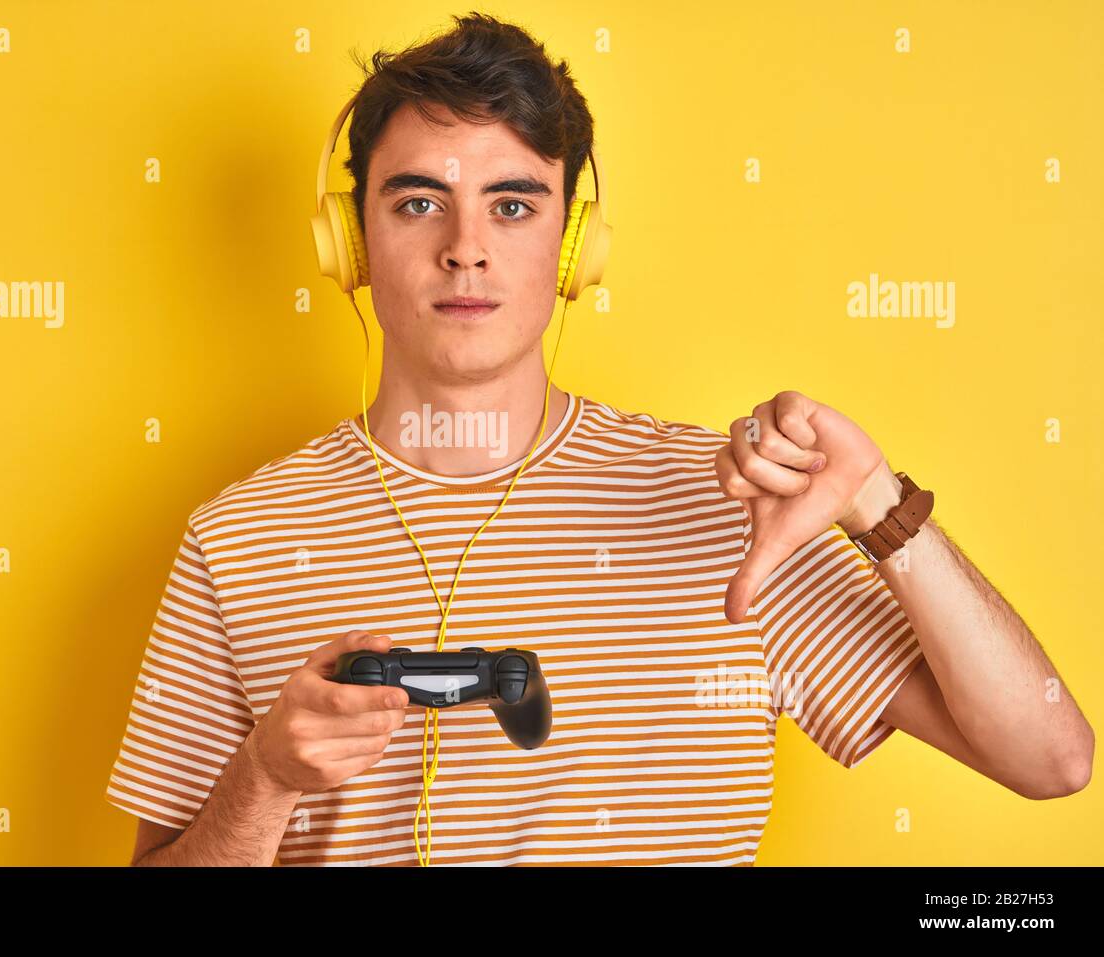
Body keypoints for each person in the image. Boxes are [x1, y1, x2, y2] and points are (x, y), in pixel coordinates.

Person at [104, 12, 1092, 866]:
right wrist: (266, 779)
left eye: (513, 202)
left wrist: (880, 501)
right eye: (416, 202)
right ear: (350, 242)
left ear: (574, 248)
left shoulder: (729, 505)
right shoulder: (239, 537)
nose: (466, 244)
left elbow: (1050, 760)